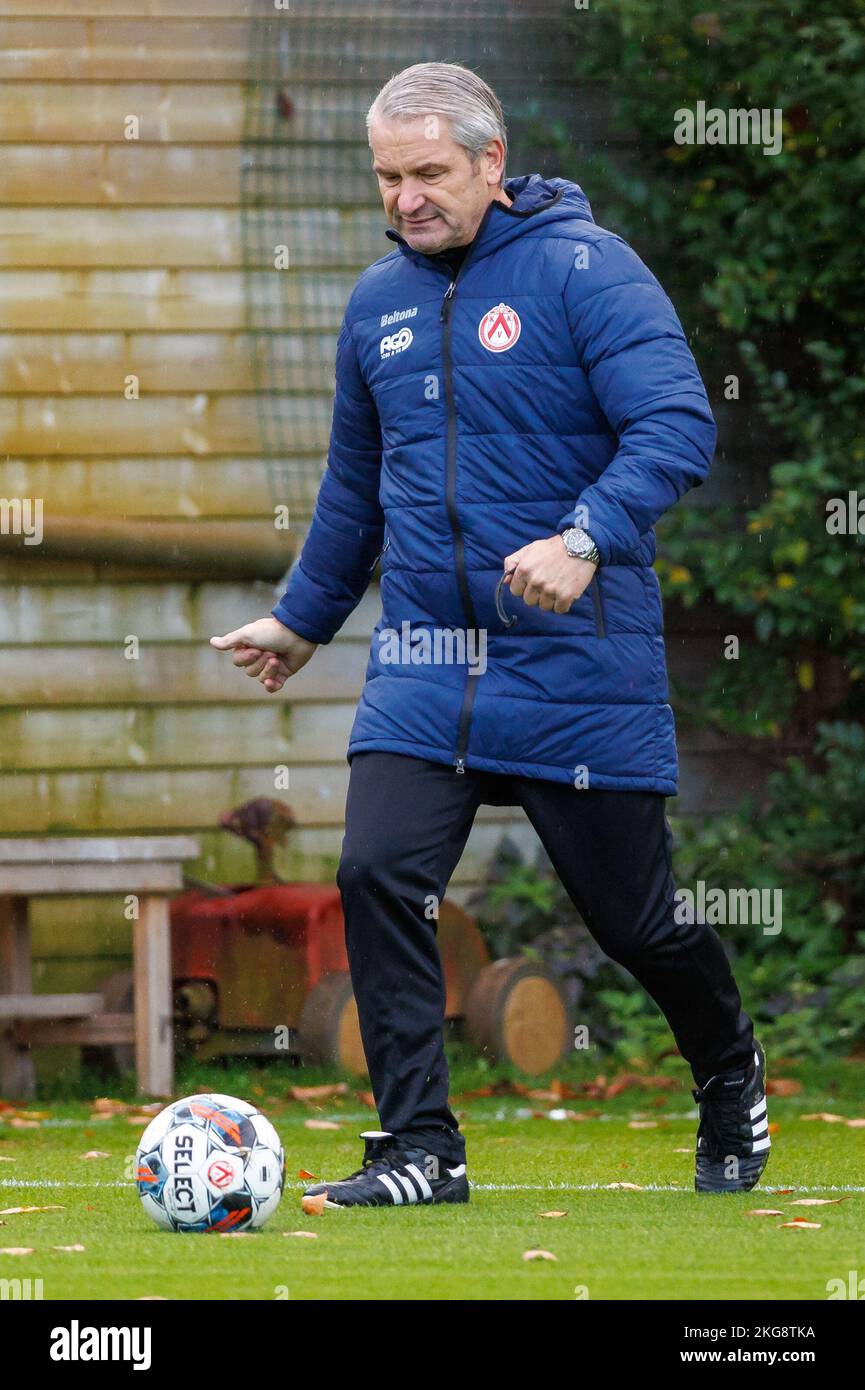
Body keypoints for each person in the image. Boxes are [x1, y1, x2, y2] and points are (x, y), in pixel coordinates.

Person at [211, 62, 770, 1205]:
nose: (405, 198)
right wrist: (305, 618)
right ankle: (420, 1148)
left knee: (638, 922)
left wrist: (584, 536)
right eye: (387, 176)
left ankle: (727, 1073)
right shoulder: (378, 304)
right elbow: (355, 488)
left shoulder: (586, 271)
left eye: (427, 173)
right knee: (375, 871)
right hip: (422, 661)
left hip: (573, 657)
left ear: (490, 162)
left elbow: (674, 422)